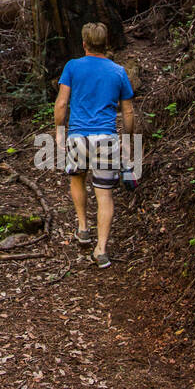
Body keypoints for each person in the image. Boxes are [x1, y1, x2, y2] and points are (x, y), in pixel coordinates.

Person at [53, 22, 135, 269]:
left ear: (84, 43)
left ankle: (82, 227)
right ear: (106, 43)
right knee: (105, 194)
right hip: (106, 138)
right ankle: (100, 249)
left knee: (77, 179)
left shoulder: (73, 67)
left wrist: (59, 131)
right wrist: (128, 139)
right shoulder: (119, 71)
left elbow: (61, 103)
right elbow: (128, 111)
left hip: (78, 135)